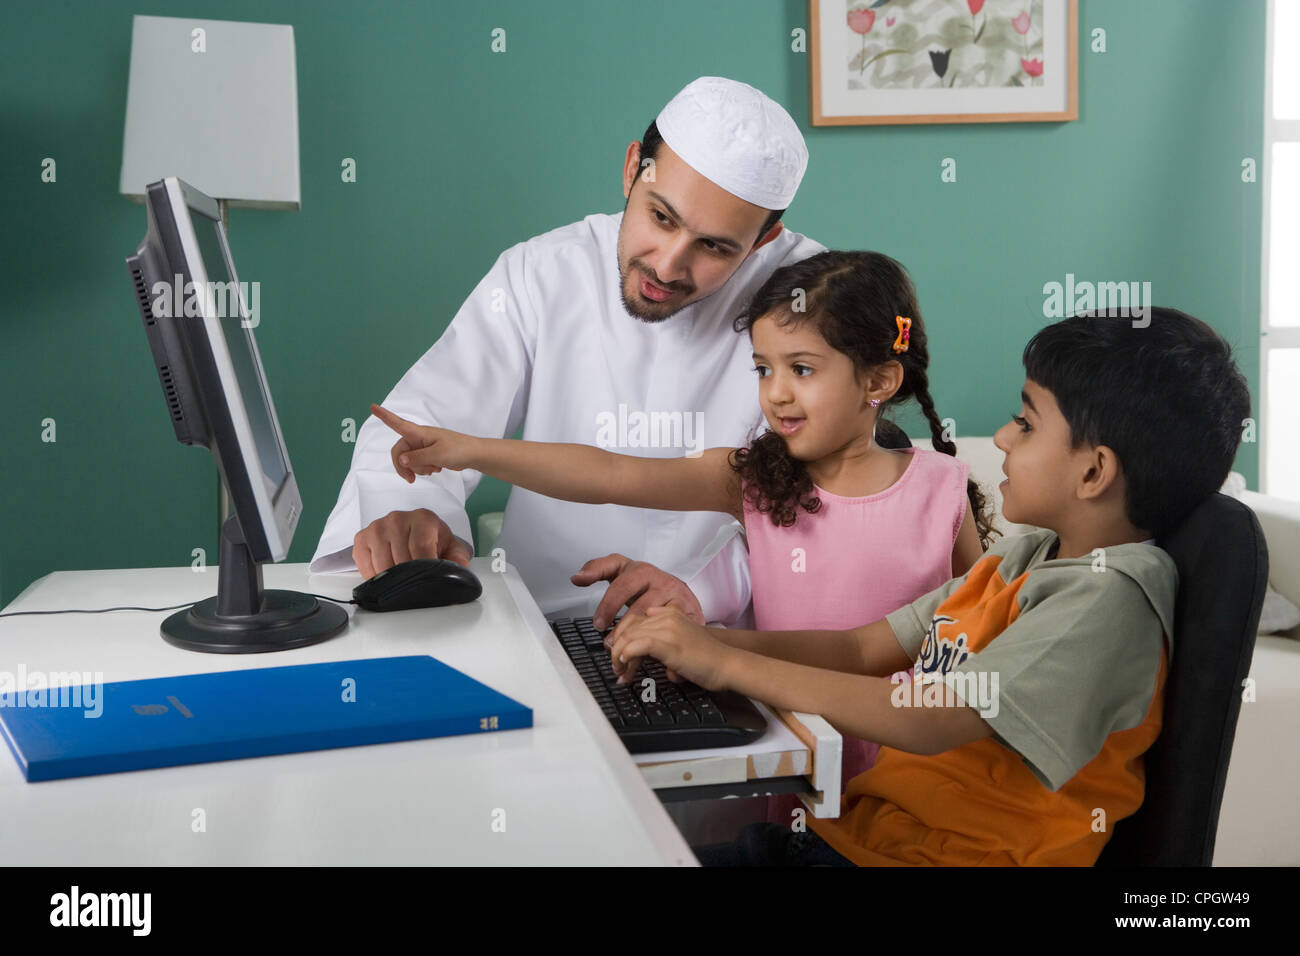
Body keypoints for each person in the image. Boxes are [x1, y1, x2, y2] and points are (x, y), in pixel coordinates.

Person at [593, 307, 1251, 866]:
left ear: (1093, 472)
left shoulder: (1106, 601)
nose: (1000, 437)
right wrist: (708, 647)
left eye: (1025, 422)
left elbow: (931, 721)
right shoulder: (1026, 556)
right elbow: (859, 650)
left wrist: (724, 662)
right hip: (863, 841)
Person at [369, 249, 996, 804]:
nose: (775, 394)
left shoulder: (940, 488)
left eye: (800, 369)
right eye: (762, 369)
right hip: (800, 753)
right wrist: (471, 449)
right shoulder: (752, 477)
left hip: (918, 775)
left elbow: (980, 628)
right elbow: (611, 473)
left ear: (879, 380)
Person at [310, 76, 826, 631]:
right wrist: (409, 513)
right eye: (661, 217)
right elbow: (426, 422)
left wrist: (706, 595)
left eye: (715, 247)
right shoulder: (541, 273)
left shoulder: (817, 302)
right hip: (538, 627)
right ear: (633, 169)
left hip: (723, 639)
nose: (668, 265)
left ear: (763, 242)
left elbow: (827, 512)